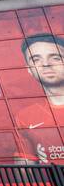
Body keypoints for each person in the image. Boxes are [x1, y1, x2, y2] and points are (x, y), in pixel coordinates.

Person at [12, 33, 64, 163]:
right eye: (36, 60)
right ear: (29, 69)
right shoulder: (26, 116)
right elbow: (24, 165)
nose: (45, 64)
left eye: (55, 58)